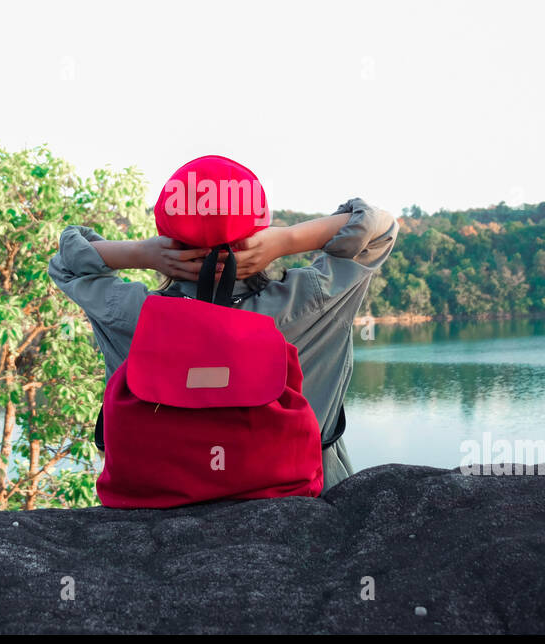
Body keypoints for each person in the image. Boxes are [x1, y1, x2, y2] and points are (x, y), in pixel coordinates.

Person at [47, 165, 397, 493]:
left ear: (166, 239)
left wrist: (142, 252)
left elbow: (66, 262)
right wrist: (286, 240)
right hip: (302, 500)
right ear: (258, 232)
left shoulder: (131, 313)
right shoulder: (309, 299)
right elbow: (379, 229)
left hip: (159, 499)